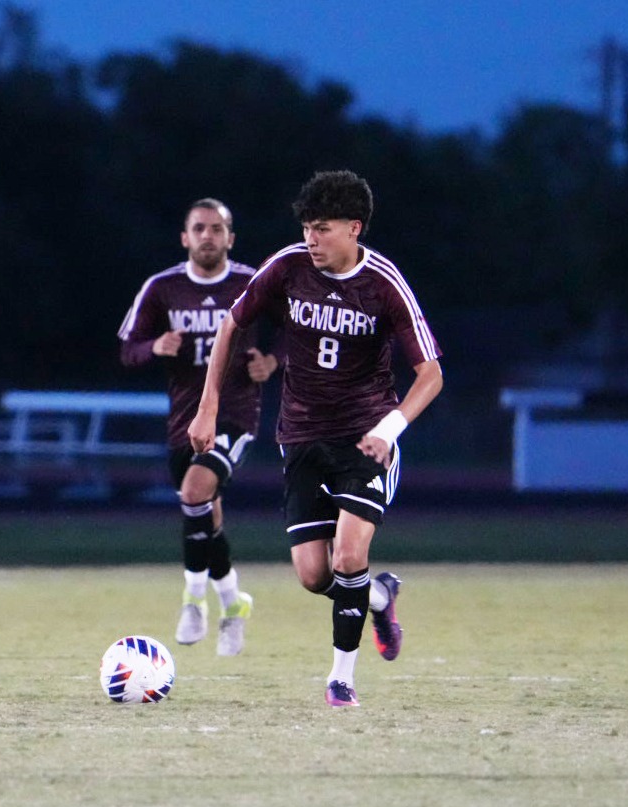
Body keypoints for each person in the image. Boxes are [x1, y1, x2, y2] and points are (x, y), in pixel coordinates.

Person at [188, 171, 443, 706]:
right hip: (302, 437)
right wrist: (208, 404)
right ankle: (379, 595)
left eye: (322, 229)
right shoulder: (286, 267)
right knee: (313, 574)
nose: (311, 239)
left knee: (350, 554)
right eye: (306, 227)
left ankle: (341, 680)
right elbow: (232, 325)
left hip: (365, 440)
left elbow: (431, 374)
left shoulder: (385, 284)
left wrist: (390, 427)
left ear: (355, 229)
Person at [118, 198, 280, 656]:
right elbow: (128, 348)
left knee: (194, 492)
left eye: (217, 228)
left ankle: (193, 600)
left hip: (235, 413)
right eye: (199, 228)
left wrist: (274, 360)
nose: (208, 236)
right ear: (184, 237)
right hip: (184, 419)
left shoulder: (252, 283)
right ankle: (234, 601)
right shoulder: (163, 288)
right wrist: (156, 347)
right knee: (204, 515)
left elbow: (298, 330)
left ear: (231, 237)